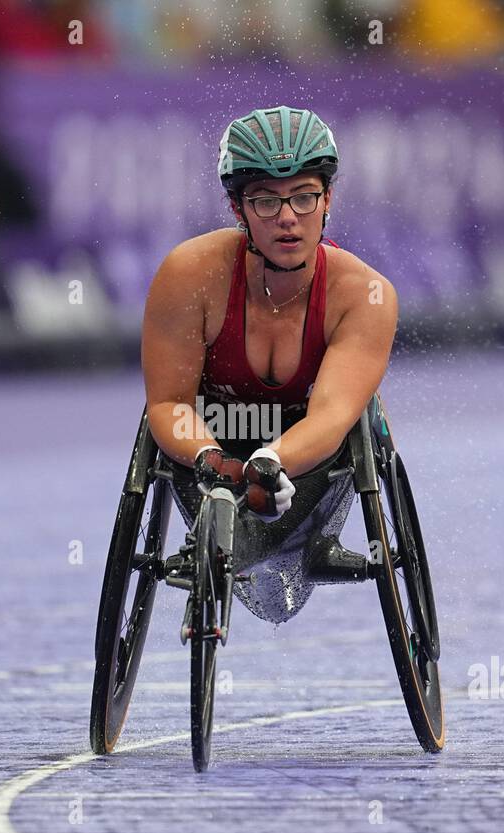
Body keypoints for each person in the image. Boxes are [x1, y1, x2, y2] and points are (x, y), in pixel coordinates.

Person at [141, 105, 399, 623]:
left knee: (357, 419)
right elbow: (167, 403)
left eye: (305, 197)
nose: (288, 217)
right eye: (265, 201)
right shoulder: (189, 274)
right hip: (210, 454)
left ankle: (290, 540)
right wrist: (211, 461)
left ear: (328, 200)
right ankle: (230, 531)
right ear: (237, 209)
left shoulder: (364, 294)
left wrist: (273, 462)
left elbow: (330, 417)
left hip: (309, 465)